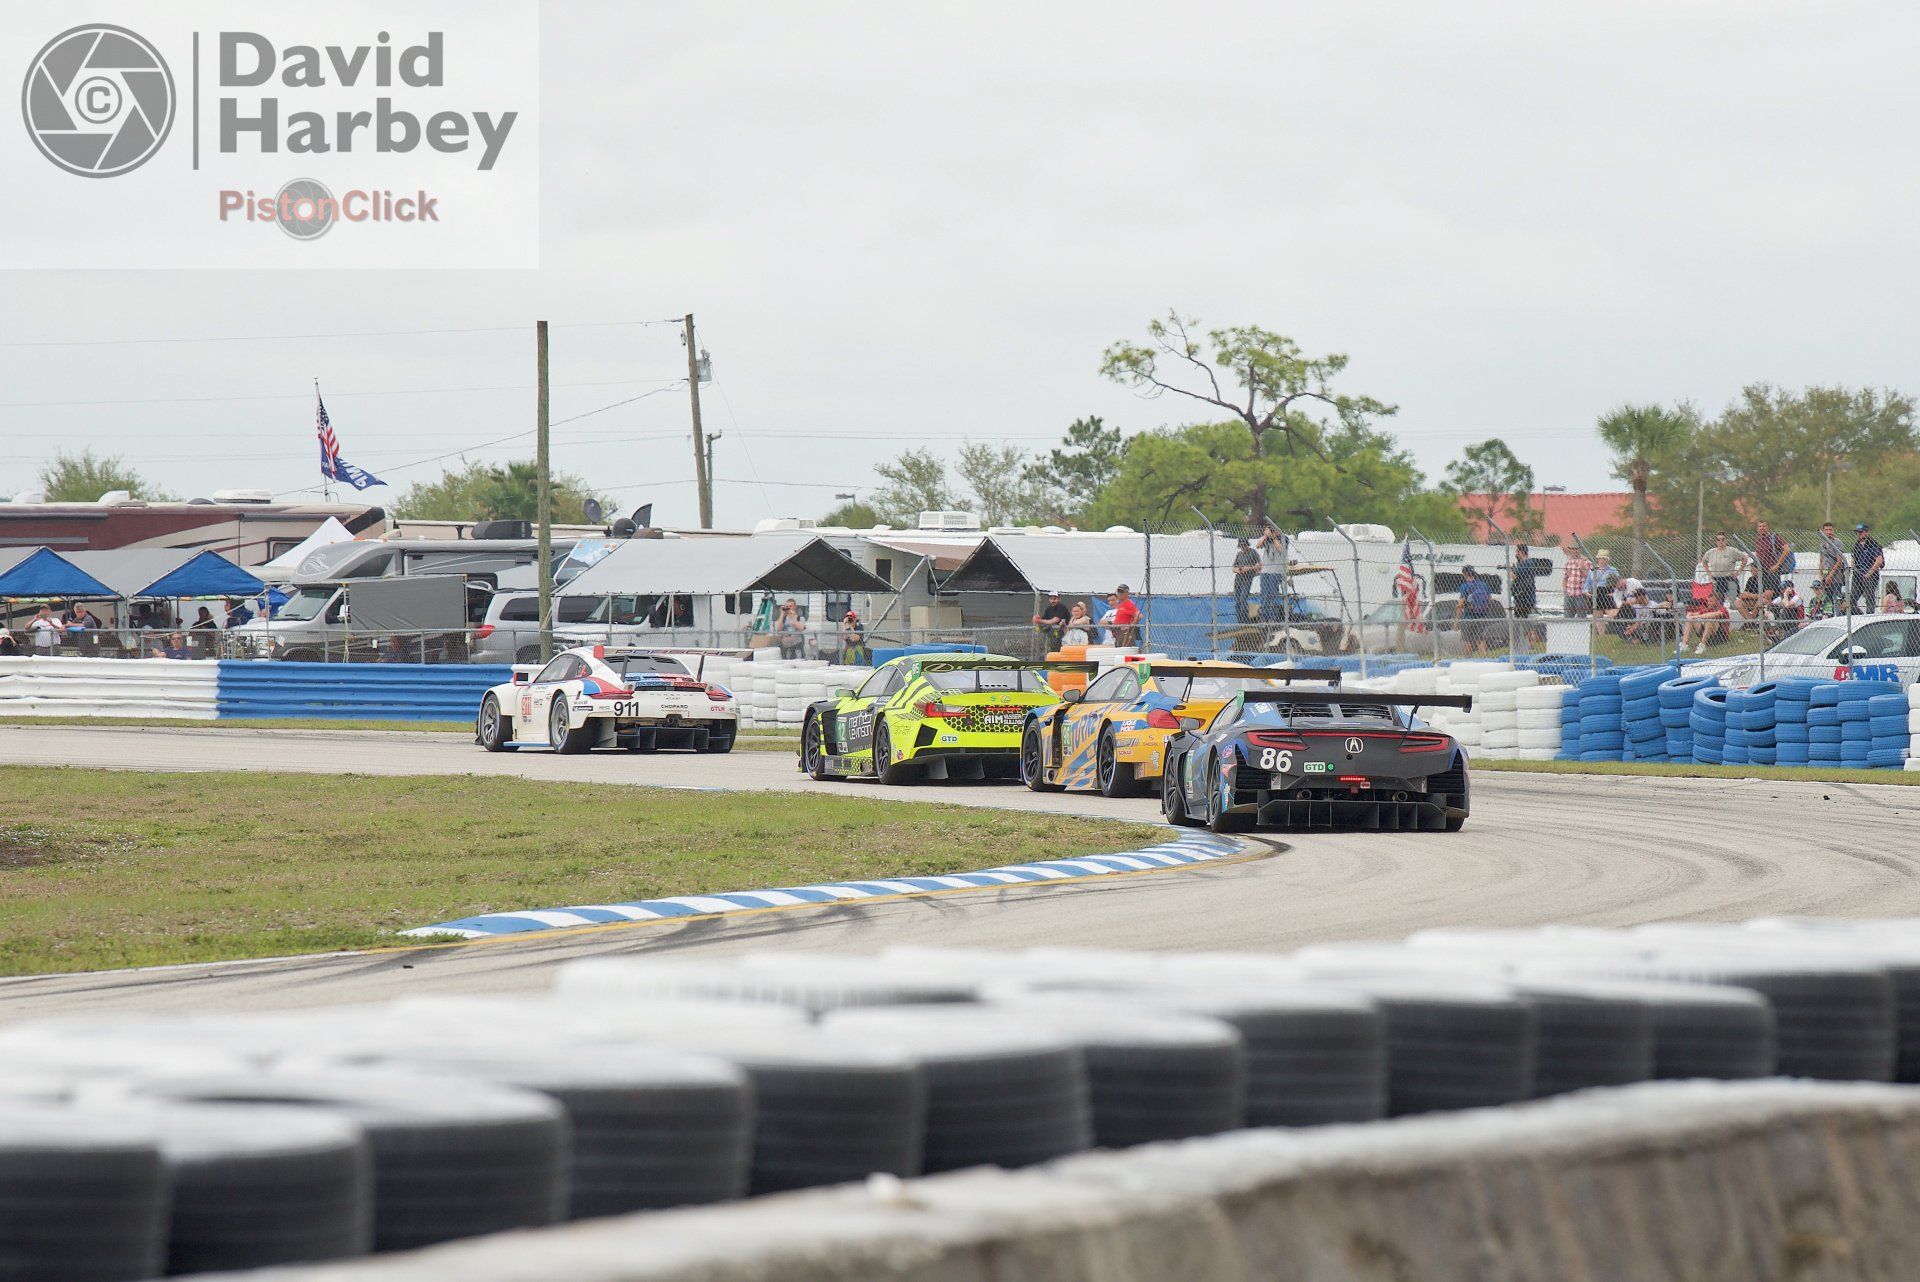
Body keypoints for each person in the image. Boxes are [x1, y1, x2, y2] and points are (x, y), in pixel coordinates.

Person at [1699, 532, 1746, 607]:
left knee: (1733, 603)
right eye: (1718, 540)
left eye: (1723, 539)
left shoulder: (1732, 550)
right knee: (1717, 603)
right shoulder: (1711, 552)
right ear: (1716, 541)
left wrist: (1739, 571)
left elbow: (1744, 558)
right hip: (1716, 580)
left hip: (1729, 579)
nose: (1721, 541)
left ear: (1726, 540)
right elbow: (1704, 561)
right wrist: (1709, 573)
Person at [1254, 525, 1288, 622]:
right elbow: (1258, 545)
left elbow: (1281, 549)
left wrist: (1273, 537)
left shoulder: (1283, 538)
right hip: (1265, 571)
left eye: (1272, 530)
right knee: (1264, 595)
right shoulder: (1266, 539)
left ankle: (1273, 618)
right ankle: (1263, 618)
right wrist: (1265, 536)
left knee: (1273, 595)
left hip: (1276, 571)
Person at [1852, 523, 1885, 614]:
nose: (1858, 534)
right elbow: (1853, 558)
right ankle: (1859, 615)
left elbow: (1879, 560)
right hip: (1858, 574)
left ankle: (1869, 616)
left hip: (1870, 574)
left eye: (1860, 532)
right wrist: (1855, 569)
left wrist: (1869, 573)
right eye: (1857, 533)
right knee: (1852, 599)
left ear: (1866, 532)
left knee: (1869, 596)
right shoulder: (1857, 544)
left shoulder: (1872, 544)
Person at [1458, 566, 1493, 655]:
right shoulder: (1483, 584)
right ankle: (1484, 657)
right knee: (1480, 639)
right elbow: (1490, 600)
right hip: (1481, 617)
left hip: (1468, 617)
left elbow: (1461, 604)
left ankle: (1467, 660)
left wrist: (1457, 619)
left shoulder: (1464, 586)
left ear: (1465, 574)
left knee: (1467, 640)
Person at [1754, 520, 1792, 598]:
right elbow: (1758, 555)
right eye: (1760, 526)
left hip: (1772, 572)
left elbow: (1787, 549)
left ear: (1767, 527)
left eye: (1764, 526)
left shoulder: (1774, 537)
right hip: (1762, 572)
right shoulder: (1758, 540)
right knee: (1764, 594)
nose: (1762, 528)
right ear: (1757, 528)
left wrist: (1777, 565)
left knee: (1771, 595)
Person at [1817, 521, 1848, 614]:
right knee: (1827, 599)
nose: (1828, 532)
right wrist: (1821, 574)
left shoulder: (1837, 543)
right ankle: (1829, 616)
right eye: (1826, 530)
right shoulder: (1823, 544)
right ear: (1823, 531)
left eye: (1830, 529)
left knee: (1837, 599)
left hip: (1835, 577)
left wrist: (1830, 576)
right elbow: (1821, 560)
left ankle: (1838, 616)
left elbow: (1839, 561)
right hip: (1825, 577)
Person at [1231, 537, 1259, 623]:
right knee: (1237, 601)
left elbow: (1259, 565)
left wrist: (1249, 568)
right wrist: (1239, 570)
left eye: (1244, 546)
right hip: (1239, 578)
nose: (1243, 548)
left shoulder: (1253, 552)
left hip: (1247, 578)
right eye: (1241, 547)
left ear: (1247, 545)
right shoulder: (1239, 554)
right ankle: (1239, 620)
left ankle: (1244, 620)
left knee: (1243, 599)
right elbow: (1233, 568)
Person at [1107, 584, 1141, 649]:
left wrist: (1131, 625)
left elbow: (1139, 615)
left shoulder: (1128, 603)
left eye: (1122, 592)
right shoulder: (1121, 604)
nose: (1119, 594)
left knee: (1125, 651)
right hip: (1118, 632)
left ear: (1127, 593)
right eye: (1118, 592)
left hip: (1124, 632)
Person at [1562, 547, 1593, 617]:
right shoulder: (1568, 562)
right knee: (1567, 617)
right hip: (1569, 593)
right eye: (1572, 549)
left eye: (1576, 549)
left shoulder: (1587, 562)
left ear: (1580, 549)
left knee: (1581, 616)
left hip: (1581, 593)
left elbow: (1589, 578)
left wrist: (1581, 567)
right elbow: (1565, 578)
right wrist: (1565, 590)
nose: (1574, 551)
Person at [1589, 550, 1620, 615]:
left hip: (1607, 592)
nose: (1602, 560)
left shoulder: (1612, 569)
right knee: (1598, 617)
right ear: (1598, 559)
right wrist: (1588, 593)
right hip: (1596, 592)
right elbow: (1588, 582)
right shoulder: (1593, 569)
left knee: (1612, 614)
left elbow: (1618, 582)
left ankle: (1614, 624)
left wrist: (1615, 592)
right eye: (1600, 558)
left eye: (1604, 558)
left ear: (1607, 560)